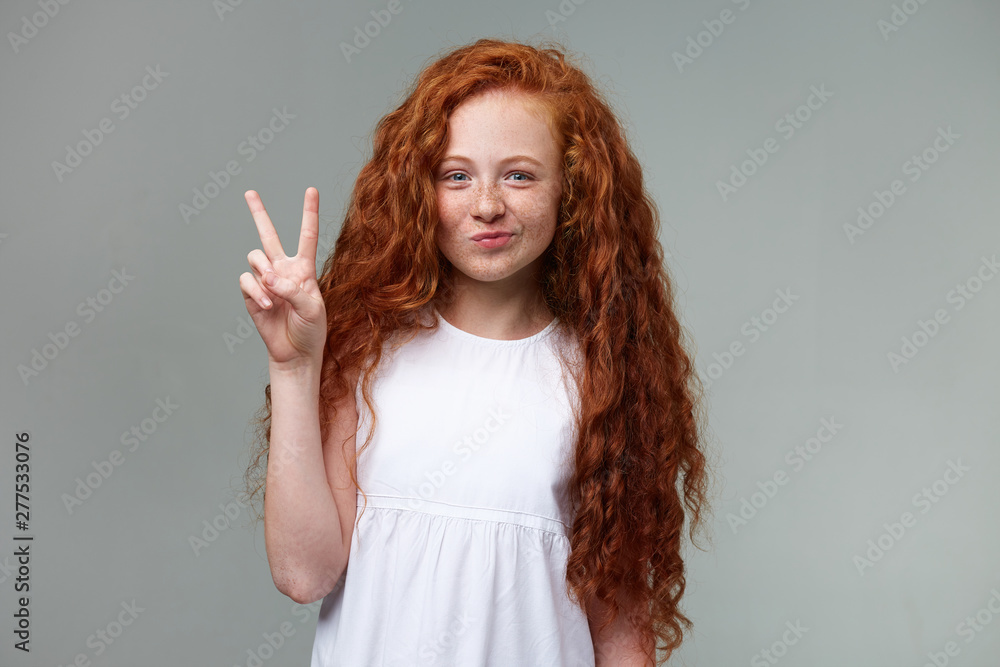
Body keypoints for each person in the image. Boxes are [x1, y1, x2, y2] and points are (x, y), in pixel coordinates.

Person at [239, 37, 715, 666]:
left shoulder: (602, 377)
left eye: (519, 175)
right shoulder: (365, 354)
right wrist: (295, 368)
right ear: (419, 189)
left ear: (571, 191)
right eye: (456, 176)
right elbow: (305, 575)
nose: (487, 205)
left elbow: (621, 629)